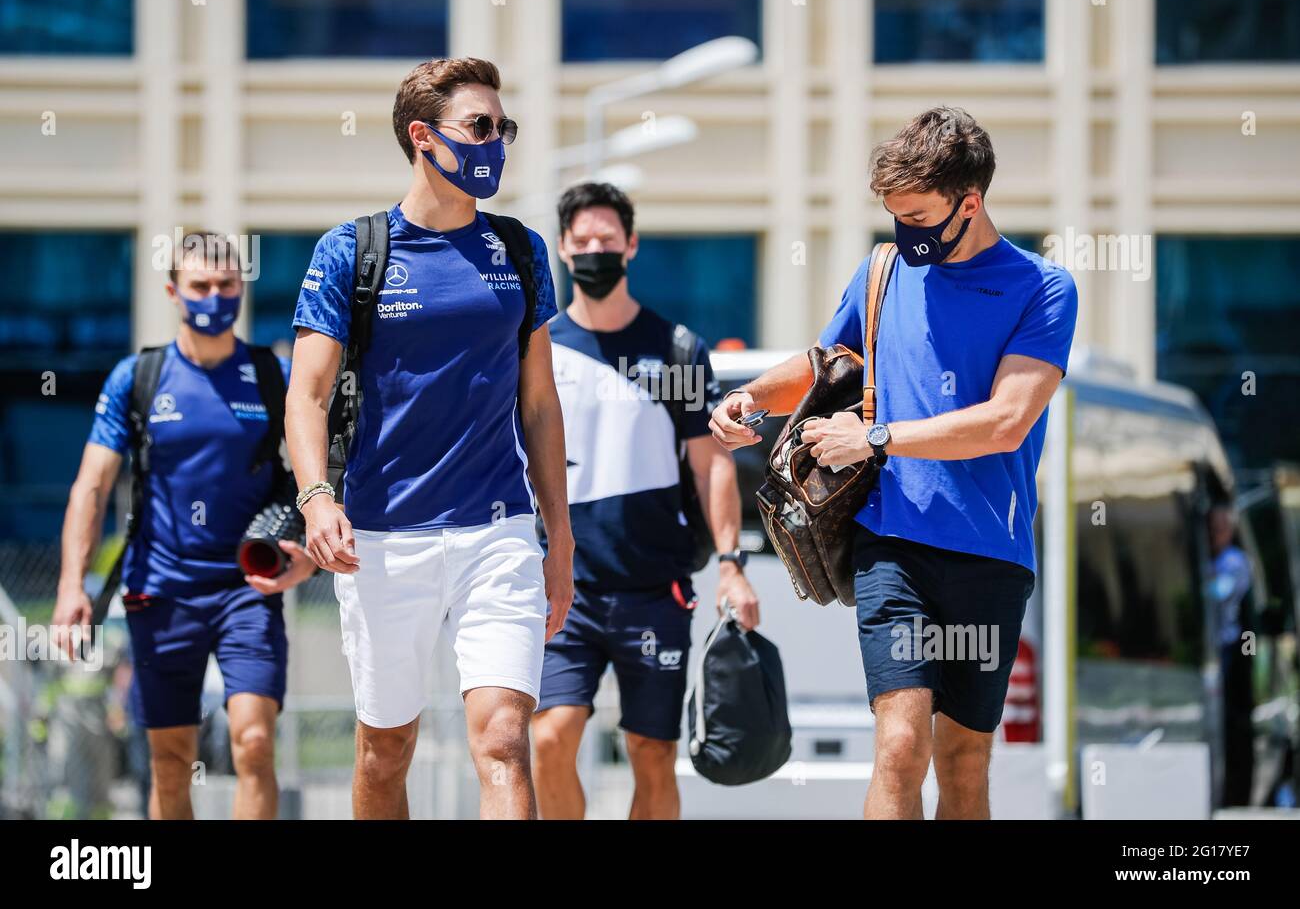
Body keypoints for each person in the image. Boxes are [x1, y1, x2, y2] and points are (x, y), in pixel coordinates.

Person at [712, 107, 1078, 820]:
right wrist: (749, 395)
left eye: (919, 218)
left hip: (990, 554)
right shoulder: (882, 272)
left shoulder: (1043, 289)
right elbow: (832, 365)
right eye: (894, 218)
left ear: (969, 202)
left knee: (965, 762)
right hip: (893, 543)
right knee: (900, 745)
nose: (904, 235)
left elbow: (1006, 422)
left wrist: (877, 439)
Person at [286, 57, 574, 820]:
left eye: (504, 128)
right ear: (424, 137)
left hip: (499, 534)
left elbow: (539, 404)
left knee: (506, 741)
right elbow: (306, 396)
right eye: (481, 127)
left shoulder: (519, 250)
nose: (497, 143)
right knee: (386, 753)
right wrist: (316, 498)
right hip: (383, 538)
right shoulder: (351, 252)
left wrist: (562, 540)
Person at [52, 231, 314, 819]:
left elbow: (318, 472)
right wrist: (74, 585)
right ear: (174, 291)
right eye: (201, 285)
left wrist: (309, 553)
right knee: (171, 760)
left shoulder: (273, 376)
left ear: (241, 290)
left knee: (253, 742)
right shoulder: (137, 378)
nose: (214, 296)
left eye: (226, 285)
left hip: (248, 589)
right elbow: (90, 486)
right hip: (161, 590)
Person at [531, 182, 759, 820]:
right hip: (560, 591)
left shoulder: (678, 348)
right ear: (562, 250)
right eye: (583, 242)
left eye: (608, 240)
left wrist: (731, 563)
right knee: (549, 738)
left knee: (651, 751)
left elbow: (712, 462)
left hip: (654, 588)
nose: (595, 251)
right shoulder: (538, 348)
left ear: (631, 245)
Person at [1208, 504, 1255, 806]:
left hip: (1227, 646)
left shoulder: (1235, 561)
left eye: (1221, 528)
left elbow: (1216, 594)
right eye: (1213, 528)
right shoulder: (1213, 559)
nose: (1216, 534)